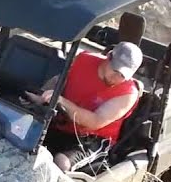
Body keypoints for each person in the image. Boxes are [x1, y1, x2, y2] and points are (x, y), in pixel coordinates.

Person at [25, 41, 143, 173]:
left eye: (122, 76)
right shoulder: (84, 60)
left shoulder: (128, 93)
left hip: (92, 139)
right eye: (115, 70)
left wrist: (62, 101)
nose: (116, 78)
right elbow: (60, 80)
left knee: (61, 163)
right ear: (108, 57)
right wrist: (41, 97)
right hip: (62, 123)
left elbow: (95, 121)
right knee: (23, 135)